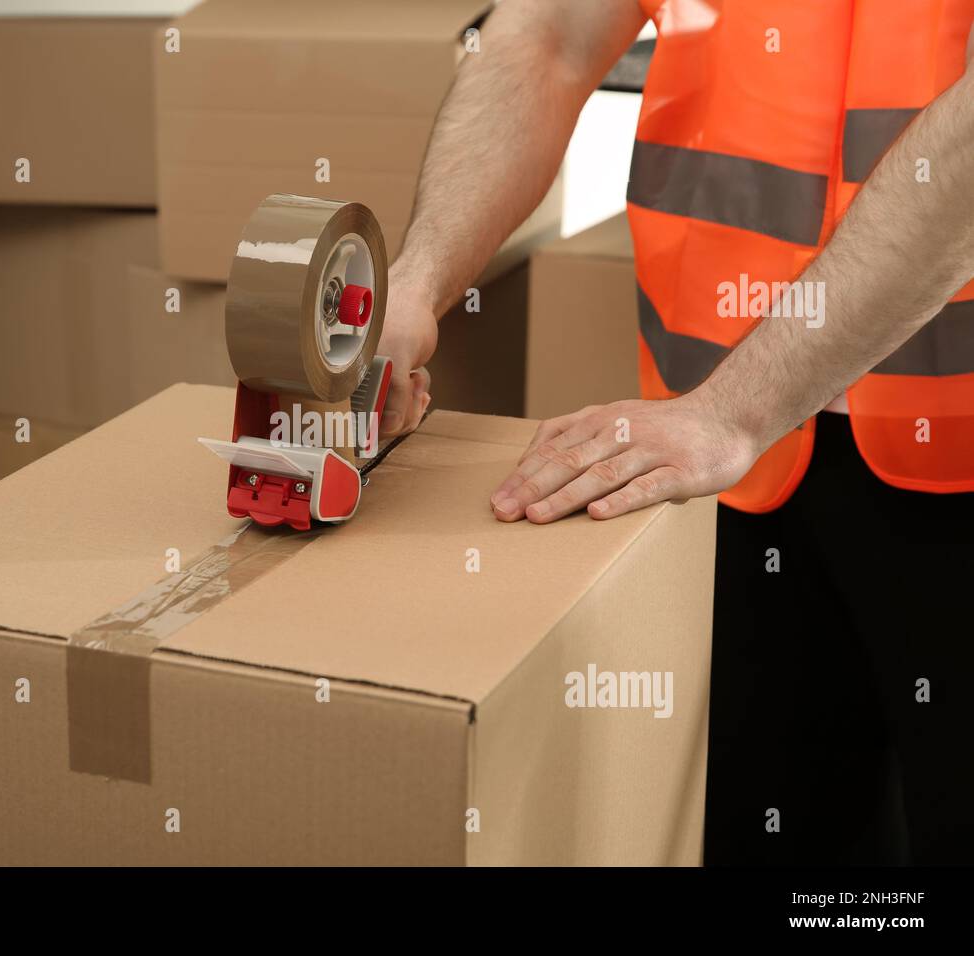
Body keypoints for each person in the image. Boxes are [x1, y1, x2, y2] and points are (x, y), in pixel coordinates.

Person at [377, 0, 974, 865]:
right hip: (728, 470)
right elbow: (548, 38)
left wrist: (733, 410)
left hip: (937, 448)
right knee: (774, 835)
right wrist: (415, 281)